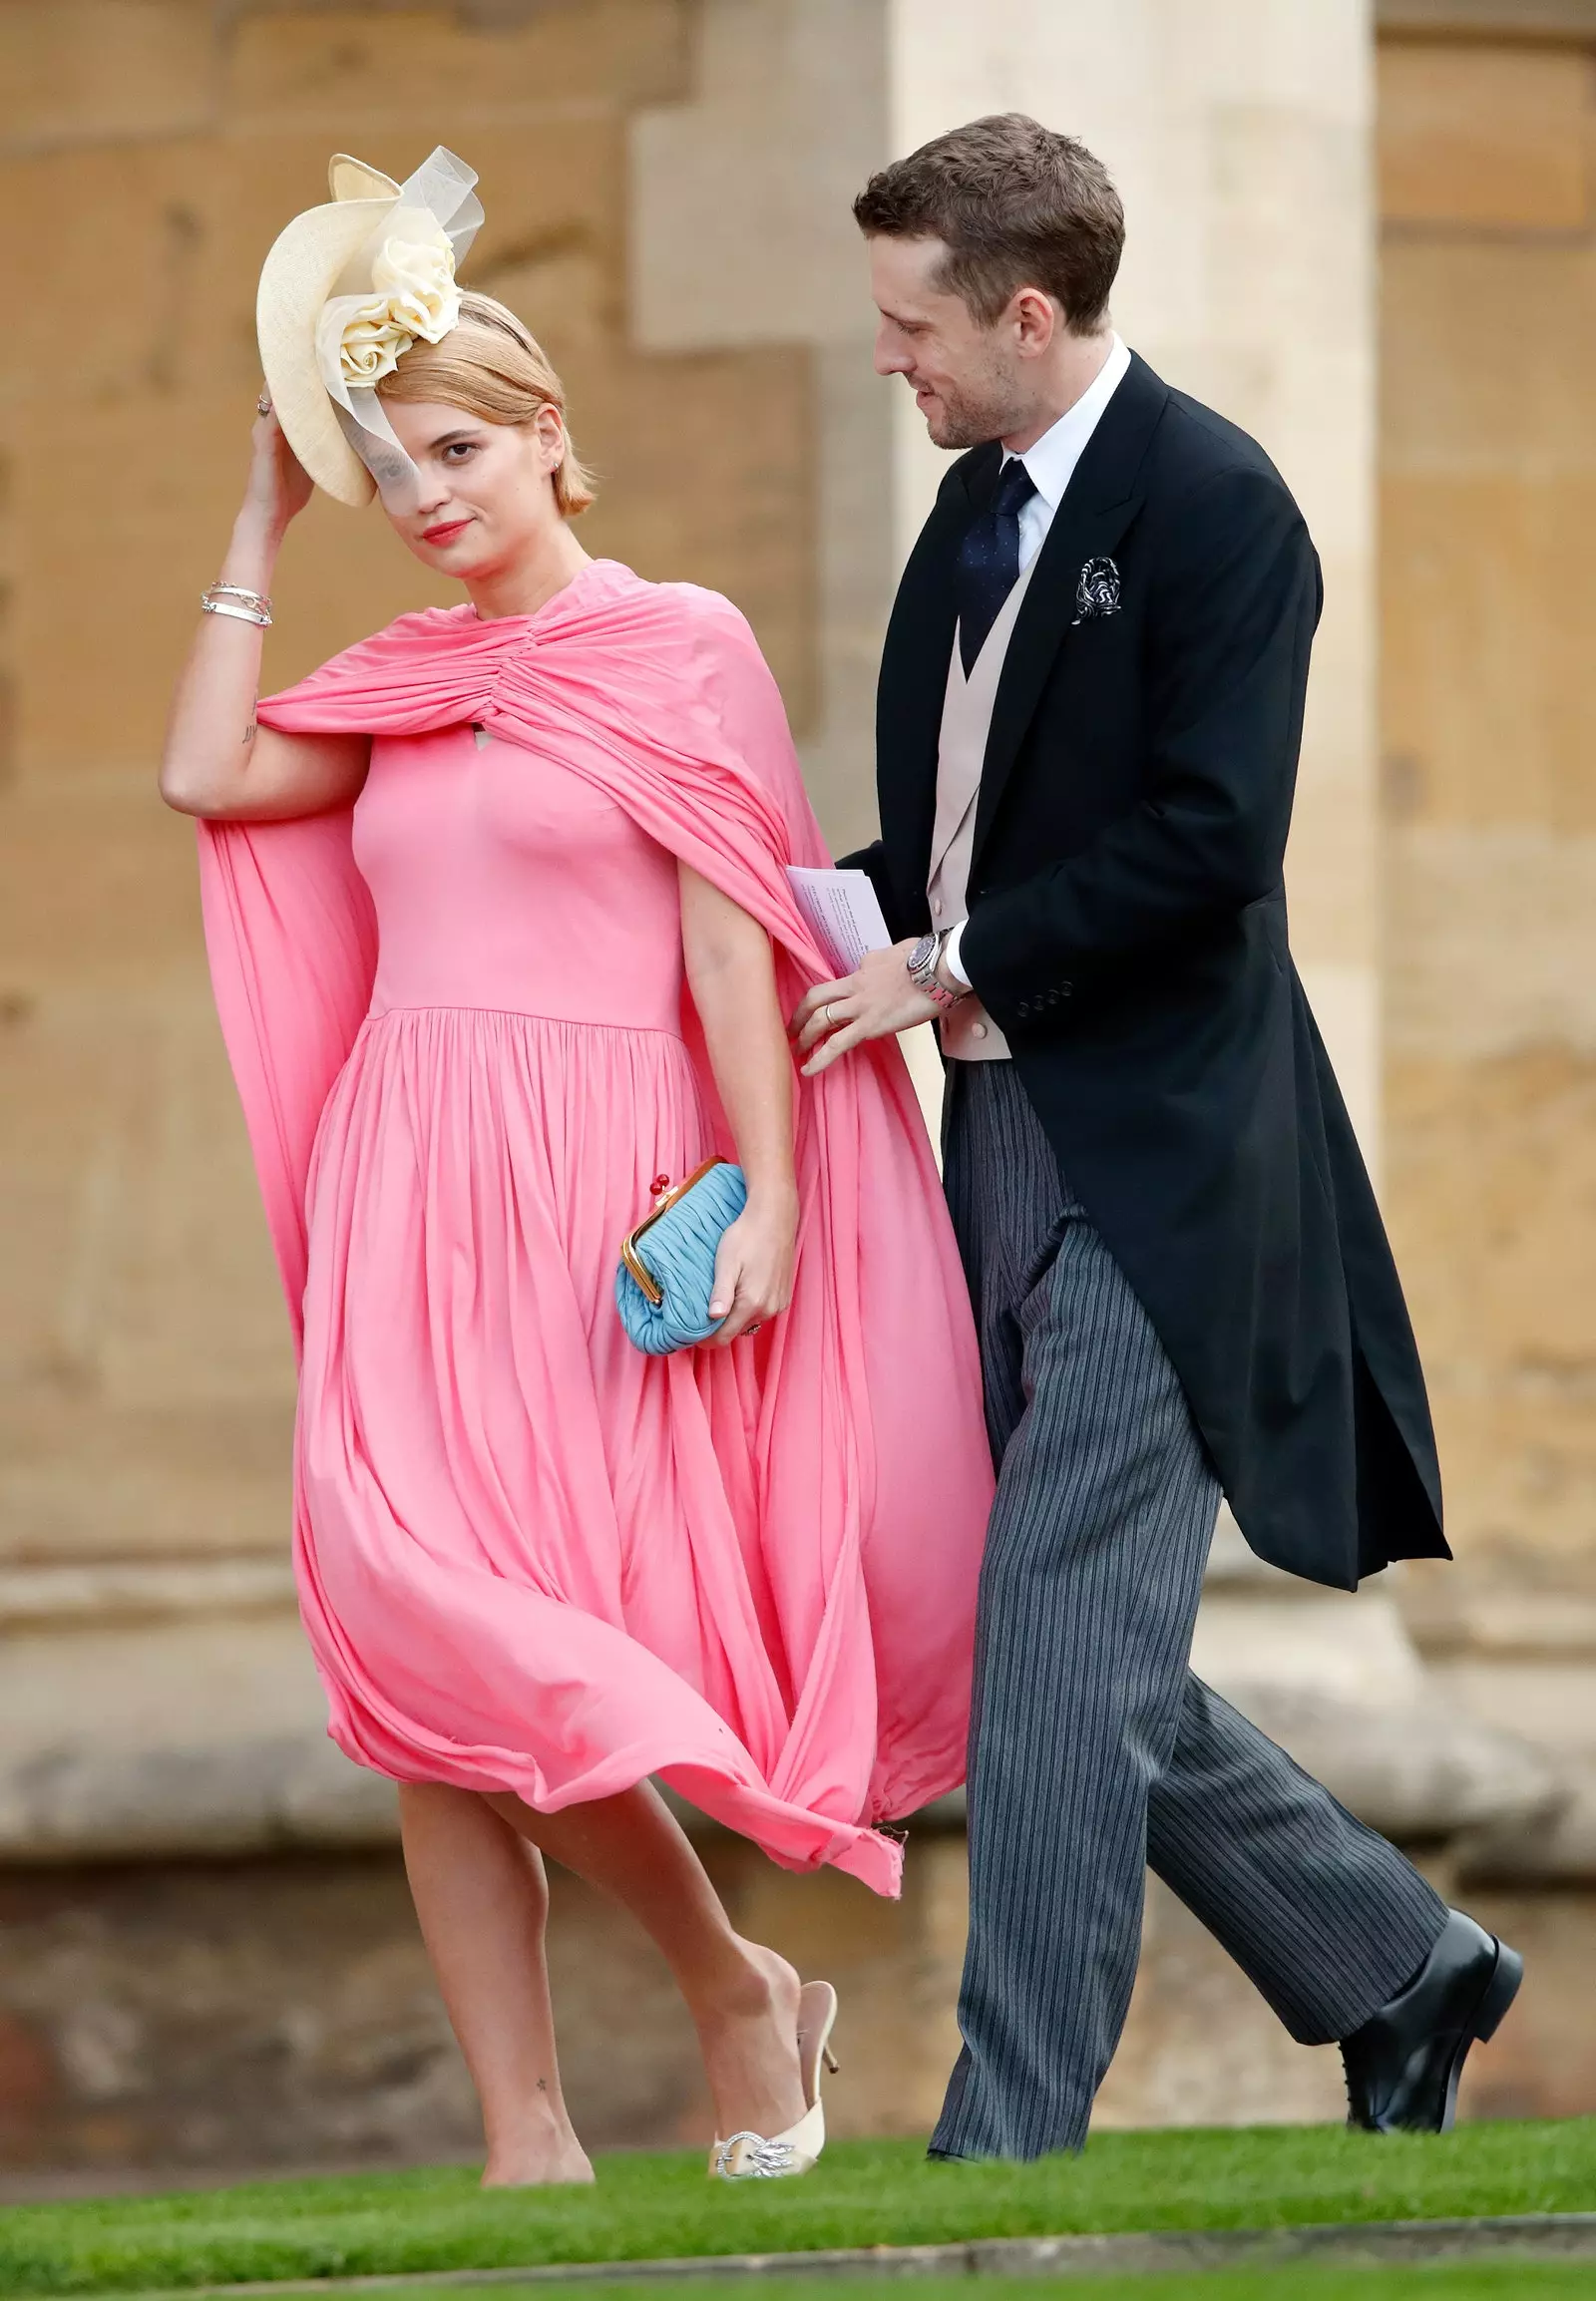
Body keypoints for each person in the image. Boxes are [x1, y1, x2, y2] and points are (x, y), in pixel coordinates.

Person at [162, 150, 993, 2186]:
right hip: (402, 1199)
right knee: (399, 1644)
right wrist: (258, 528)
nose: (427, 492)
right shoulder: (409, 691)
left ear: (550, 438)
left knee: (505, 1639)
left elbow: (731, 931)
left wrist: (774, 1195)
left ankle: (727, 1983)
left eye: (455, 447)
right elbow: (205, 768)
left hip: (588, 1204)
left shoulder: (674, 642)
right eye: (389, 464)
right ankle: (524, 2128)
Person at [792, 113, 1522, 2162]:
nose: (887, 361)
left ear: (1023, 315)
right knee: (1070, 1634)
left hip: (1173, 1169)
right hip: (988, 1143)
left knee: (1050, 1640)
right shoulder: (966, 517)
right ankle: (1393, 1960)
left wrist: (940, 961)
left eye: (908, 325)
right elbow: (948, 847)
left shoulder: (1214, 507)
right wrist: (768, 921)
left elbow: (1210, 845)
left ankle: (1001, 2141)